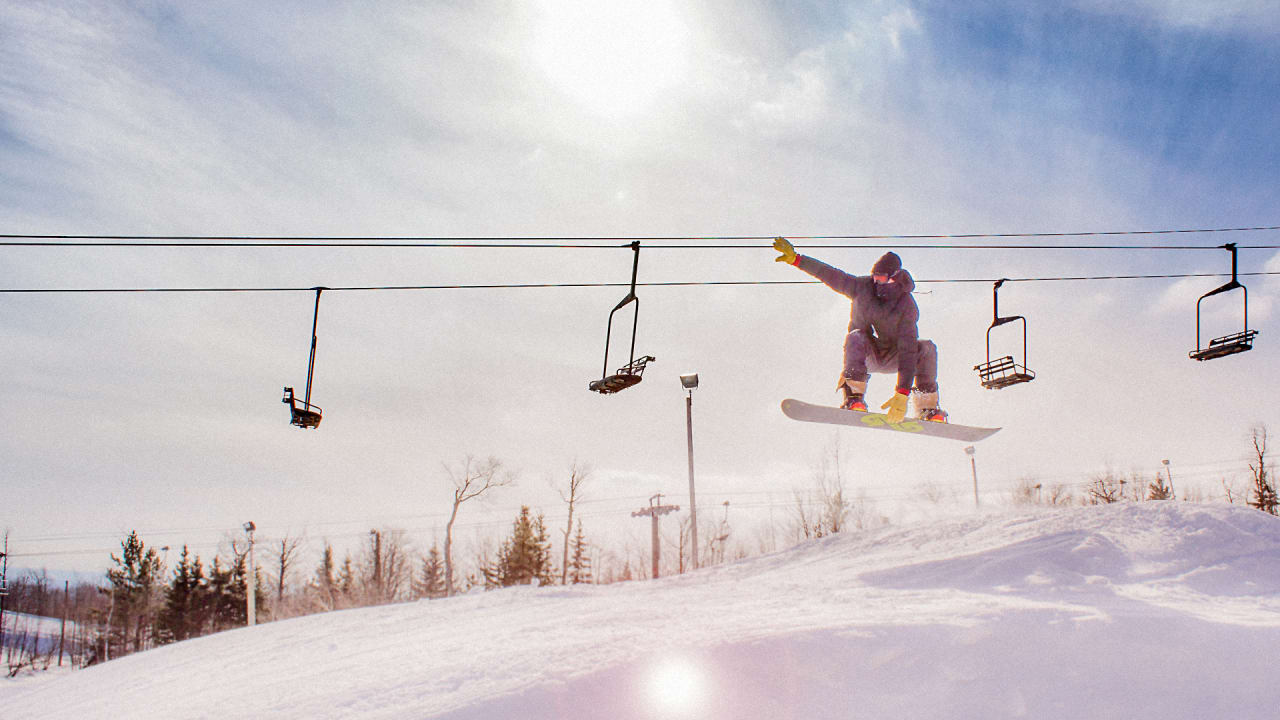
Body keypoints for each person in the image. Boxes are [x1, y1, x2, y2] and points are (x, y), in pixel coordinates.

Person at [773, 236, 947, 424]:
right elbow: (829, 274)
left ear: (893, 278)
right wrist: (798, 260)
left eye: (881, 277)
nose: (876, 281)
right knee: (856, 336)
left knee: (926, 348)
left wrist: (902, 393)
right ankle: (854, 398)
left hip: (893, 357)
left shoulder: (906, 306)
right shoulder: (861, 287)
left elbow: (908, 350)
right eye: (875, 276)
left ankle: (927, 408)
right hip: (864, 355)